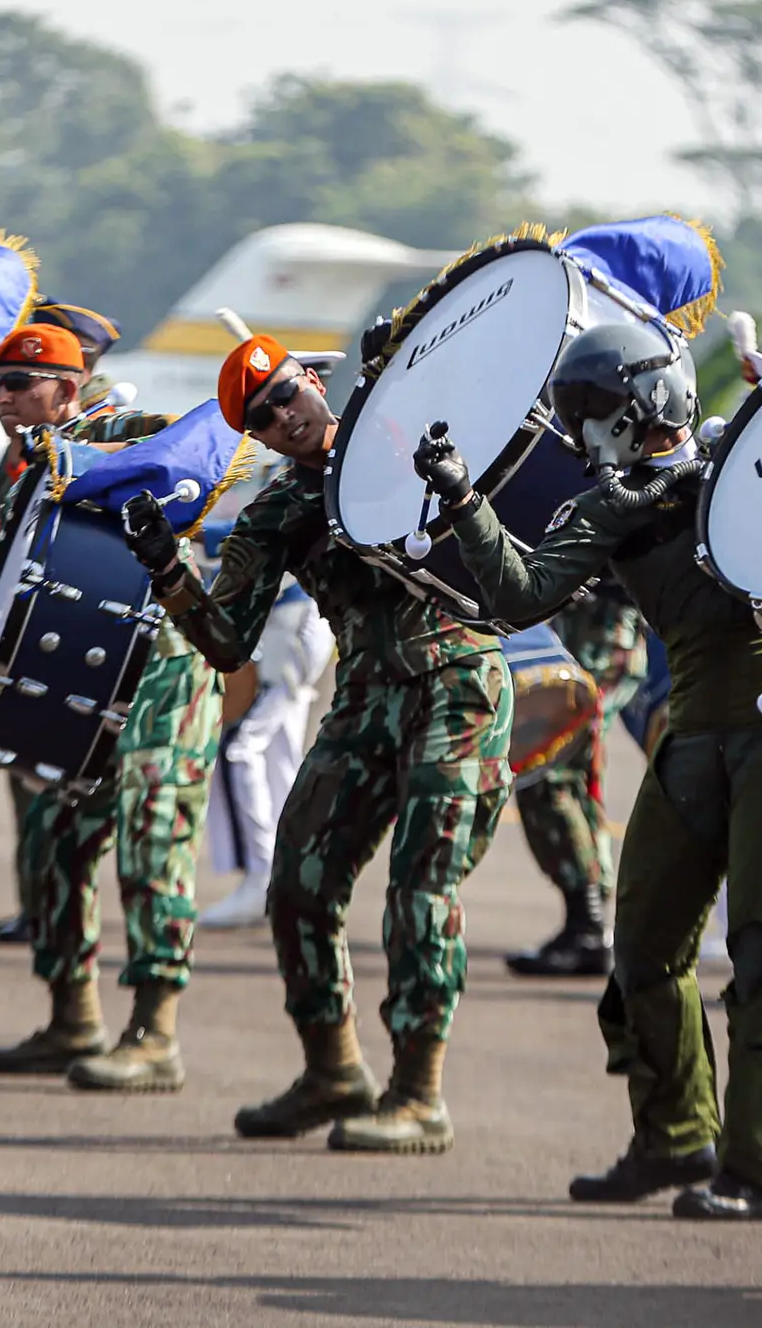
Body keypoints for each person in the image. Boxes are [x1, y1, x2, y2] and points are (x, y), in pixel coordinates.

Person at [408, 322, 762, 1220]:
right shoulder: (609, 506)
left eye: (595, 407)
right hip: (695, 727)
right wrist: (462, 499)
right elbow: (519, 594)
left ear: (651, 398)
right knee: (642, 948)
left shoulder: (739, 461)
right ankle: (674, 1139)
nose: (583, 427)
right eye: (576, 411)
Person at [116, 333, 512, 1154]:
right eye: (264, 417)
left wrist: (406, 355)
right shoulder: (277, 511)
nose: (285, 416)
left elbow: (473, 385)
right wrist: (167, 569)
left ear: (316, 382)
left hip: (458, 678)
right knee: (297, 882)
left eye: (289, 394)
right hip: (366, 695)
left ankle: (418, 1094)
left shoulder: (403, 439)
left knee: (420, 889)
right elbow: (227, 641)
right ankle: (333, 1071)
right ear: (255, 437)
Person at [0, 324, 222, 1093]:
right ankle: (72, 1017)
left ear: (69, 391)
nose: (6, 398)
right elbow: (6, 587)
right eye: (0, 385)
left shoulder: (117, 432)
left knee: (153, 843)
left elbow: (193, 449)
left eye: (23, 384)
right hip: (89, 679)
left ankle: (155, 1035)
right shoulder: (24, 473)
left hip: (165, 671)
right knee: (54, 846)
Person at [0, 300, 126, 946]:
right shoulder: (27, 450)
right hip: (29, 639)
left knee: (68, 805)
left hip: (84, 651)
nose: (5, 396)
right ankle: (39, 909)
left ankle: (56, 918)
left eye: (19, 383)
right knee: (27, 787)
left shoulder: (104, 438)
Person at [507, 590, 646, 976]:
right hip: (583, 633)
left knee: (550, 775)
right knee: (565, 777)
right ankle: (589, 925)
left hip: (599, 637)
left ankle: (588, 926)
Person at [199, 565, 332, 930]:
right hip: (291, 617)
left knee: (238, 748)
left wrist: (203, 537)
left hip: (291, 619)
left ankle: (263, 879)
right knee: (277, 756)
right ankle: (286, 877)